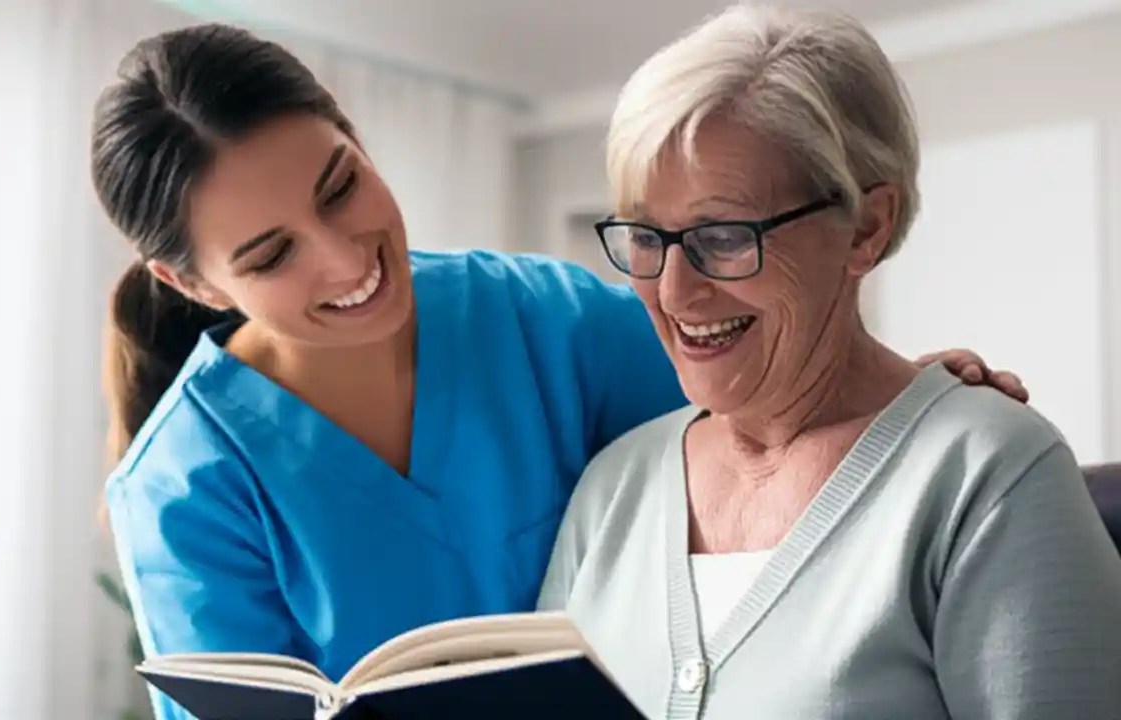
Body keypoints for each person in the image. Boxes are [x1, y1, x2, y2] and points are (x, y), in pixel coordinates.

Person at [91, 23, 1030, 720]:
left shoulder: (543, 321)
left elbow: (769, 414)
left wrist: (897, 398)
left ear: (355, 134)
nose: (345, 260)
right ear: (189, 280)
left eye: (341, 187)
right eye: (270, 255)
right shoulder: (183, 490)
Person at [537, 6, 1121, 720]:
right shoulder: (610, 492)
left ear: (866, 228)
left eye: (722, 235)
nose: (672, 289)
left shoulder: (990, 475)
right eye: (646, 237)